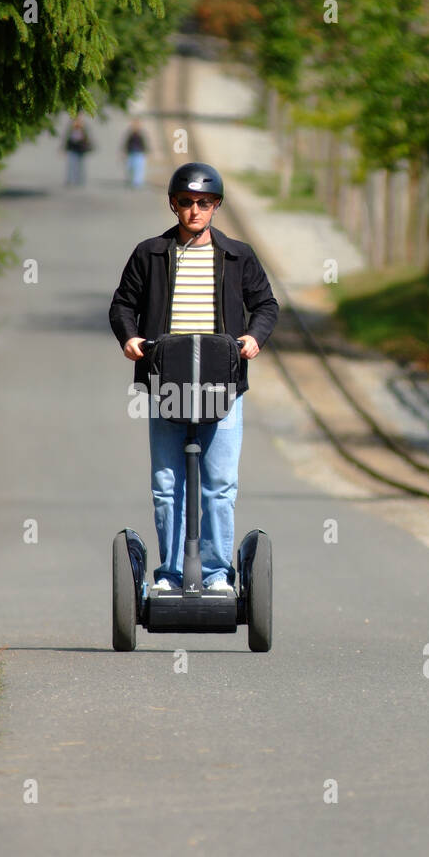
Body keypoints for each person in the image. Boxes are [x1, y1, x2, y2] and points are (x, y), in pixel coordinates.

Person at [108, 162, 279, 593]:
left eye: (204, 203)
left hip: (224, 381)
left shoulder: (238, 256)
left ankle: (218, 574)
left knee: (219, 484)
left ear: (216, 206)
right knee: (167, 484)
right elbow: (122, 306)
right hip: (169, 379)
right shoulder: (149, 254)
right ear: (173, 204)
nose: (195, 211)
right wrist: (130, 338)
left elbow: (267, 306)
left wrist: (254, 339)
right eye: (186, 202)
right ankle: (169, 575)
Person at [61, 112, 93, 185]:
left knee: (81, 166)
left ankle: (80, 180)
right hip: (72, 148)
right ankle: (70, 180)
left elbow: (88, 138)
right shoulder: (71, 127)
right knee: (71, 165)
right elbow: (66, 138)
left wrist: (87, 144)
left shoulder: (84, 127)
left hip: (81, 149)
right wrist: (63, 148)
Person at [122, 121, 149, 188]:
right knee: (131, 168)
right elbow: (126, 144)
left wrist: (146, 152)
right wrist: (124, 152)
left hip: (139, 154)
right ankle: (132, 180)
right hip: (131, 153)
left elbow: (145, 145)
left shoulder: (141, 135)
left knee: (139, 168)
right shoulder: (130, 135)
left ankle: (137, 182)